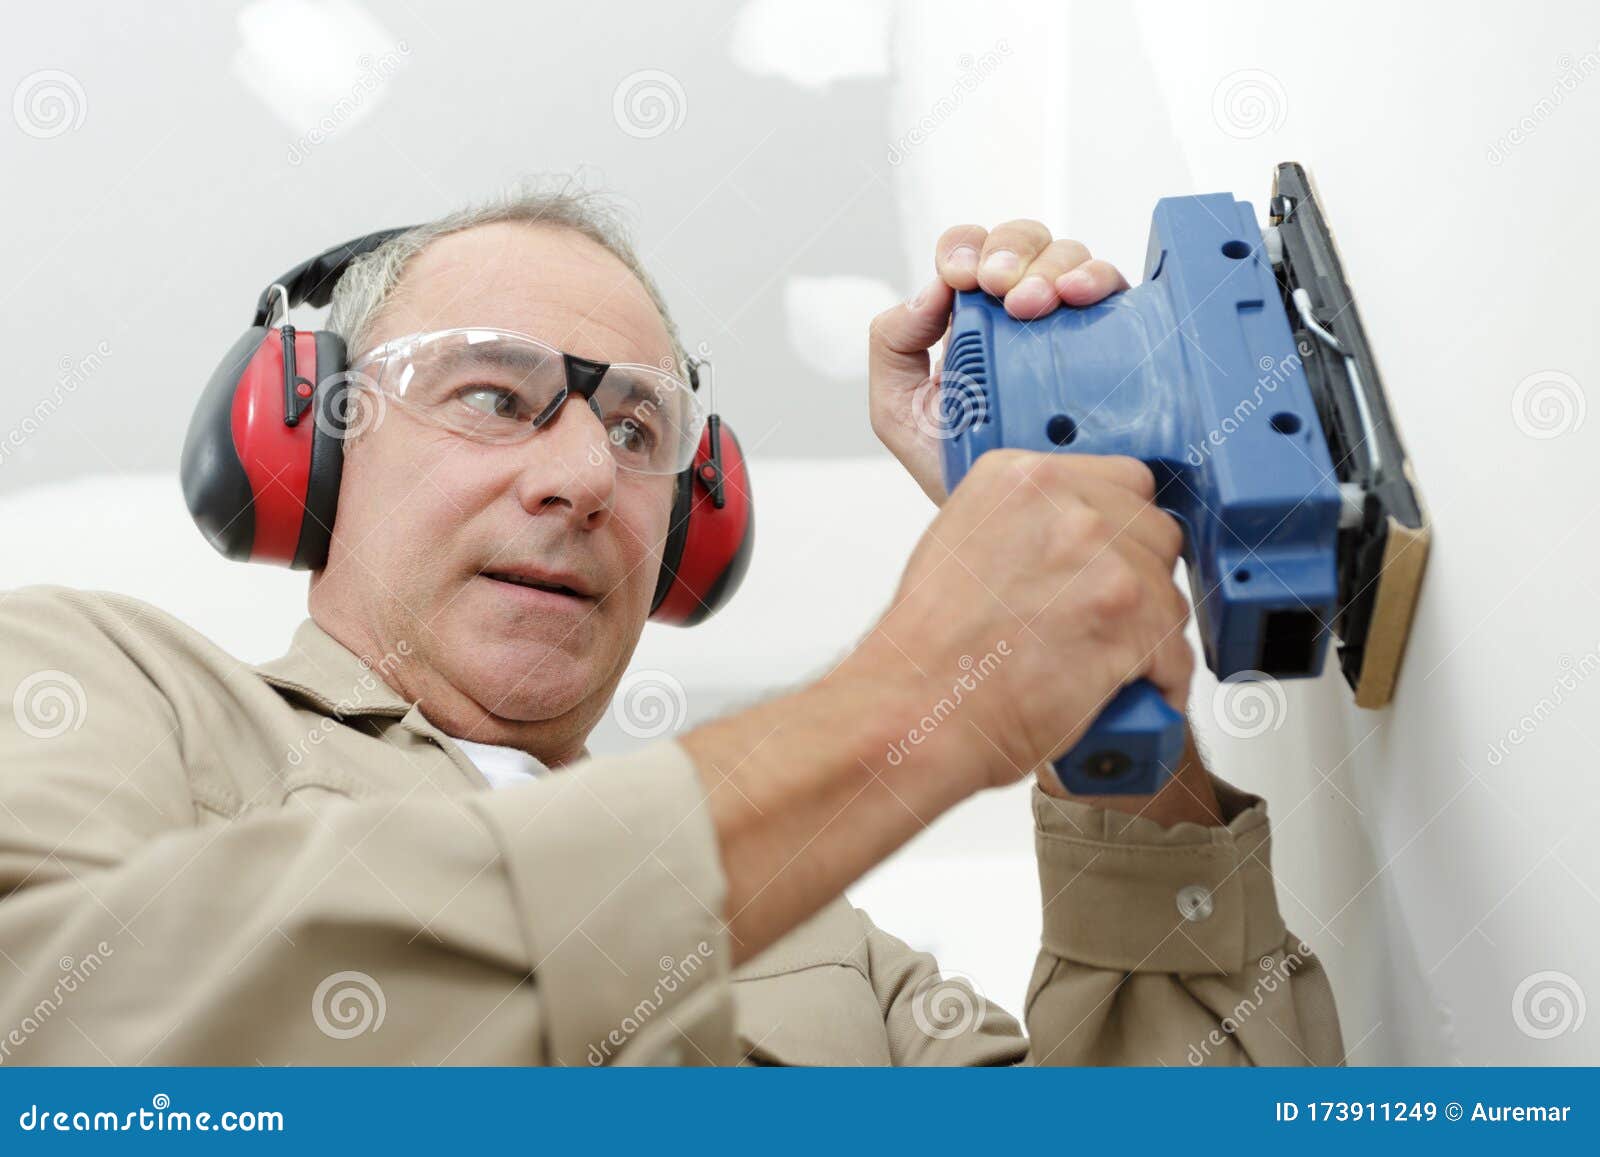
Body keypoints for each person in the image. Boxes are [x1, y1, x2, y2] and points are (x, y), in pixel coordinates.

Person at [0, 189, 1343, 1066]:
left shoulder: (839, 964)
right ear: (307, 446)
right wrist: (912, 702)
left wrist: (1092, 645)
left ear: (689, 529)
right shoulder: (105, 689)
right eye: (489, 394)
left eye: (638, 428)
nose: (585, 477)